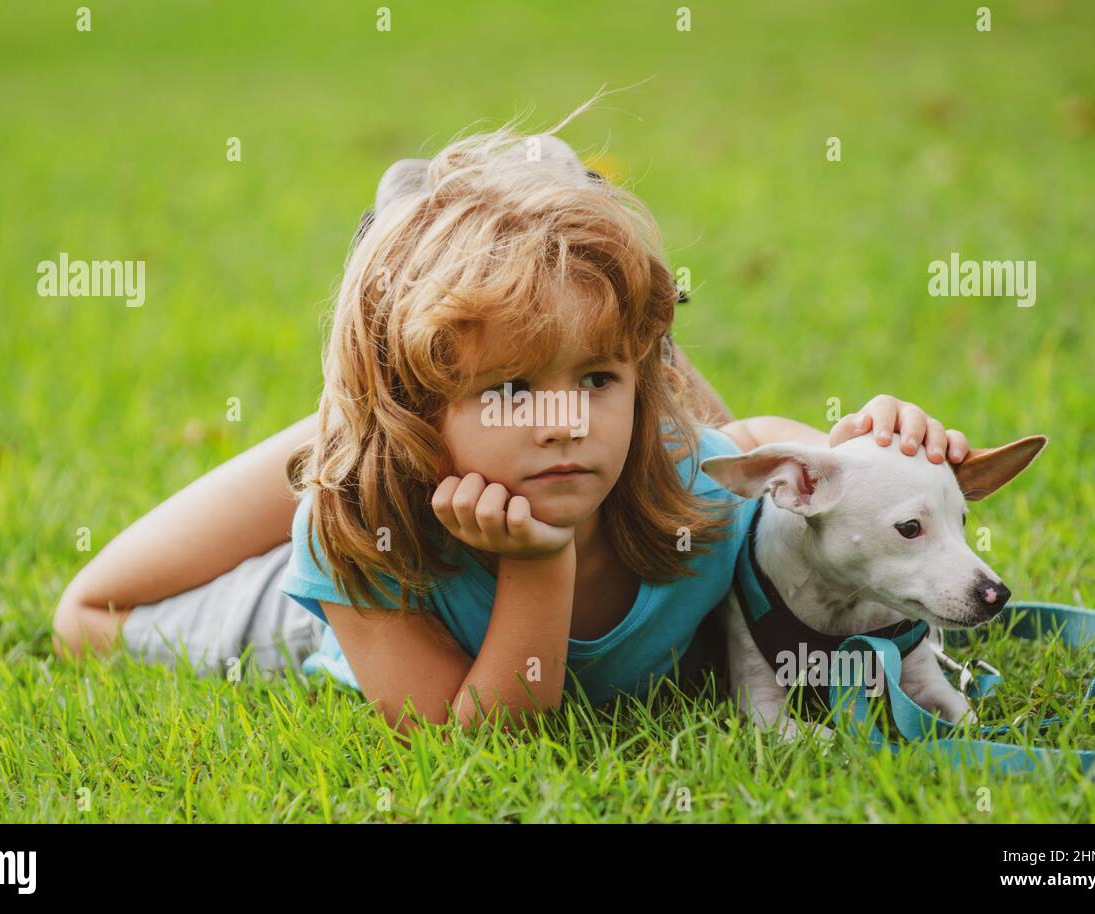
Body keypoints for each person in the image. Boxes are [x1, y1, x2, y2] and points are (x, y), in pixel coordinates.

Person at [52, 99, 970, 737]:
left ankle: (554, 345)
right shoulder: (360, 548)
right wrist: (537, 570)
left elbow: (796, 466)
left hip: (586, 429)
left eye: (598, 378)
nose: (563, 420)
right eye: (511, 388)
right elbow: (474, 748)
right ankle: (361, 420)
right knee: (93, 615)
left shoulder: (705, 477)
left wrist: (883, 446)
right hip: (308, 598)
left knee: (673, 420)